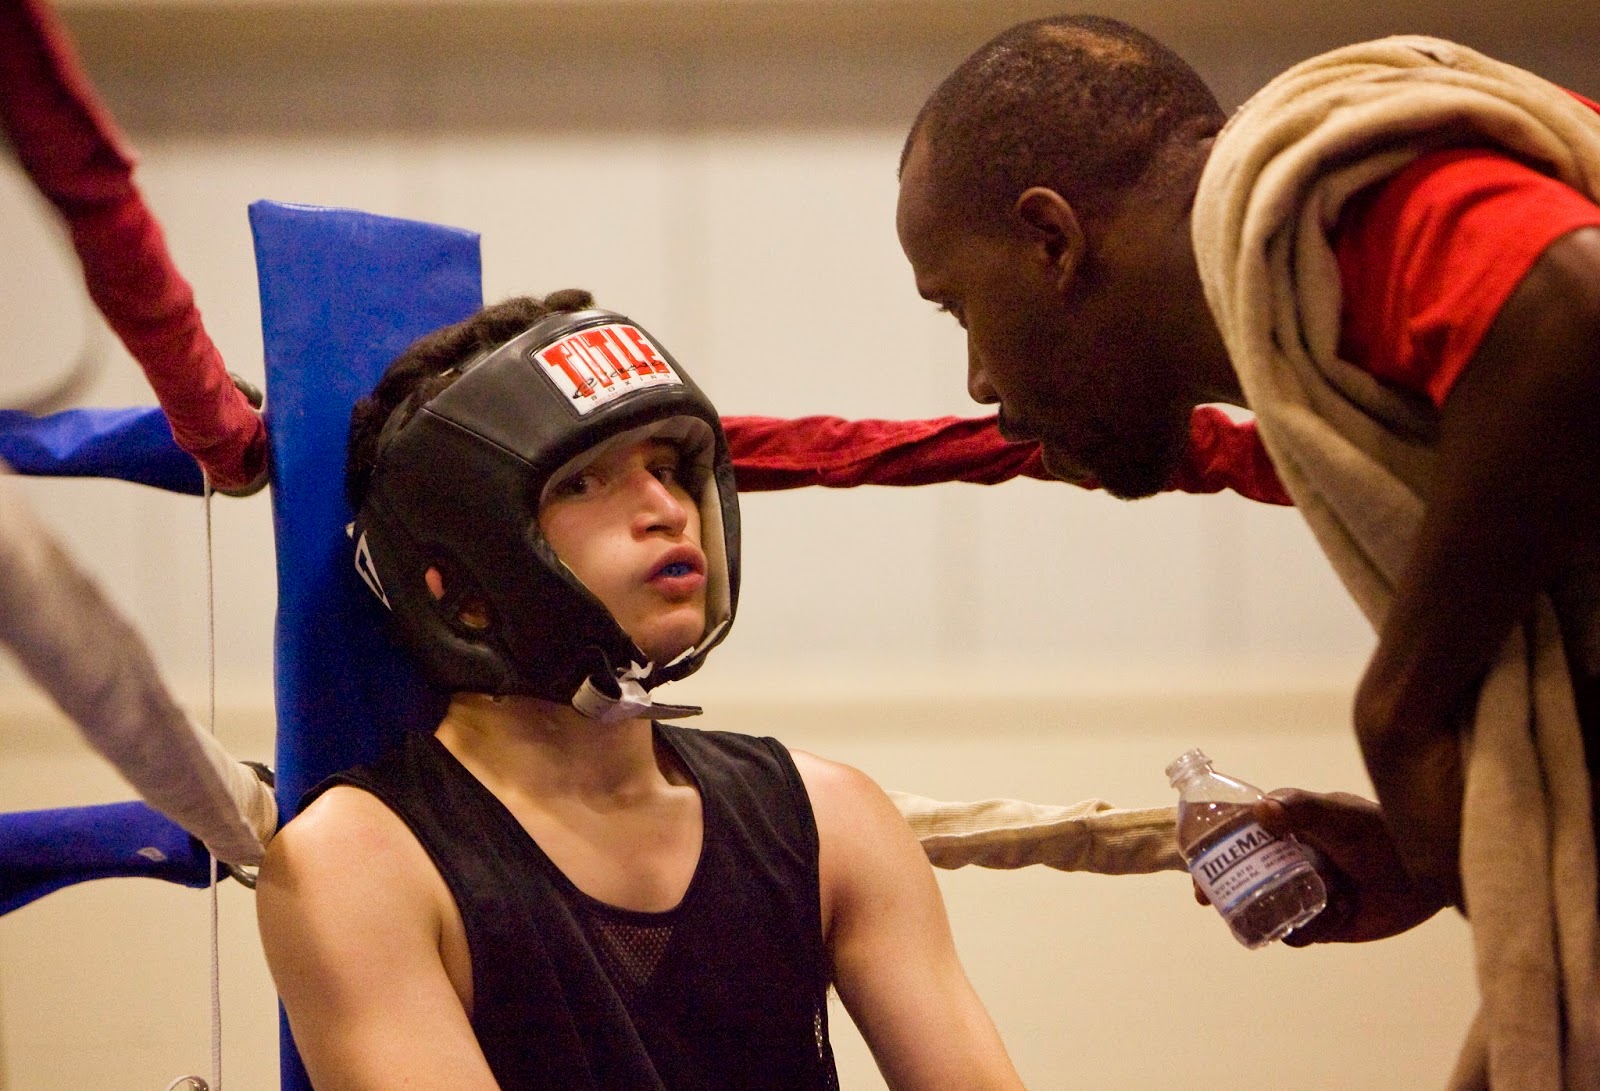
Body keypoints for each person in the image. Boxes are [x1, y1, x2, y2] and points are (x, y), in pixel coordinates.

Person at [894, 13, 1600, 1086]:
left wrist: (1402, 707)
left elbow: (1573, 307)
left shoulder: (1325, 190)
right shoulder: (1322, 294)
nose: (980, 386)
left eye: (957, 307)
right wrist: (1454, 857)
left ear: (1051, 240)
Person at [253, 290, 1024, 1089]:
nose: (665, 509)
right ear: (461, 582)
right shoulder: (361, 866)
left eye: (665, 468)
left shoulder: (834, 820)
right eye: (582, 482)